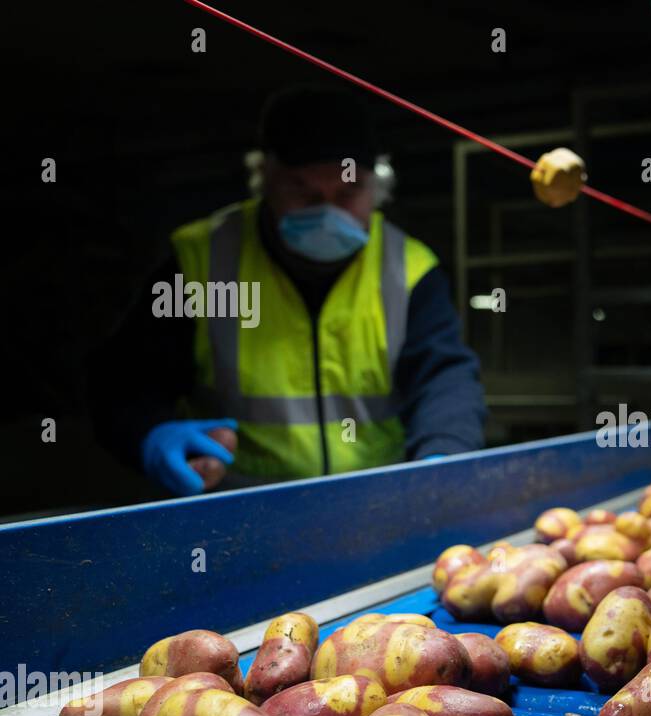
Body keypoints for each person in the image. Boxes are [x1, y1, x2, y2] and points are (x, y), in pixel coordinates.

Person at [91, 86, 487, 495]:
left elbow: (444, 376)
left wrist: (445, 454)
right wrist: (150, 436)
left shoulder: (410, 269)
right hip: (238, 514)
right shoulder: (201, 265)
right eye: (303, 191)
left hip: (374, 506)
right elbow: (123, 385)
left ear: (376, 189)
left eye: (347, 192)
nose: (326, 211)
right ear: (265, 179)